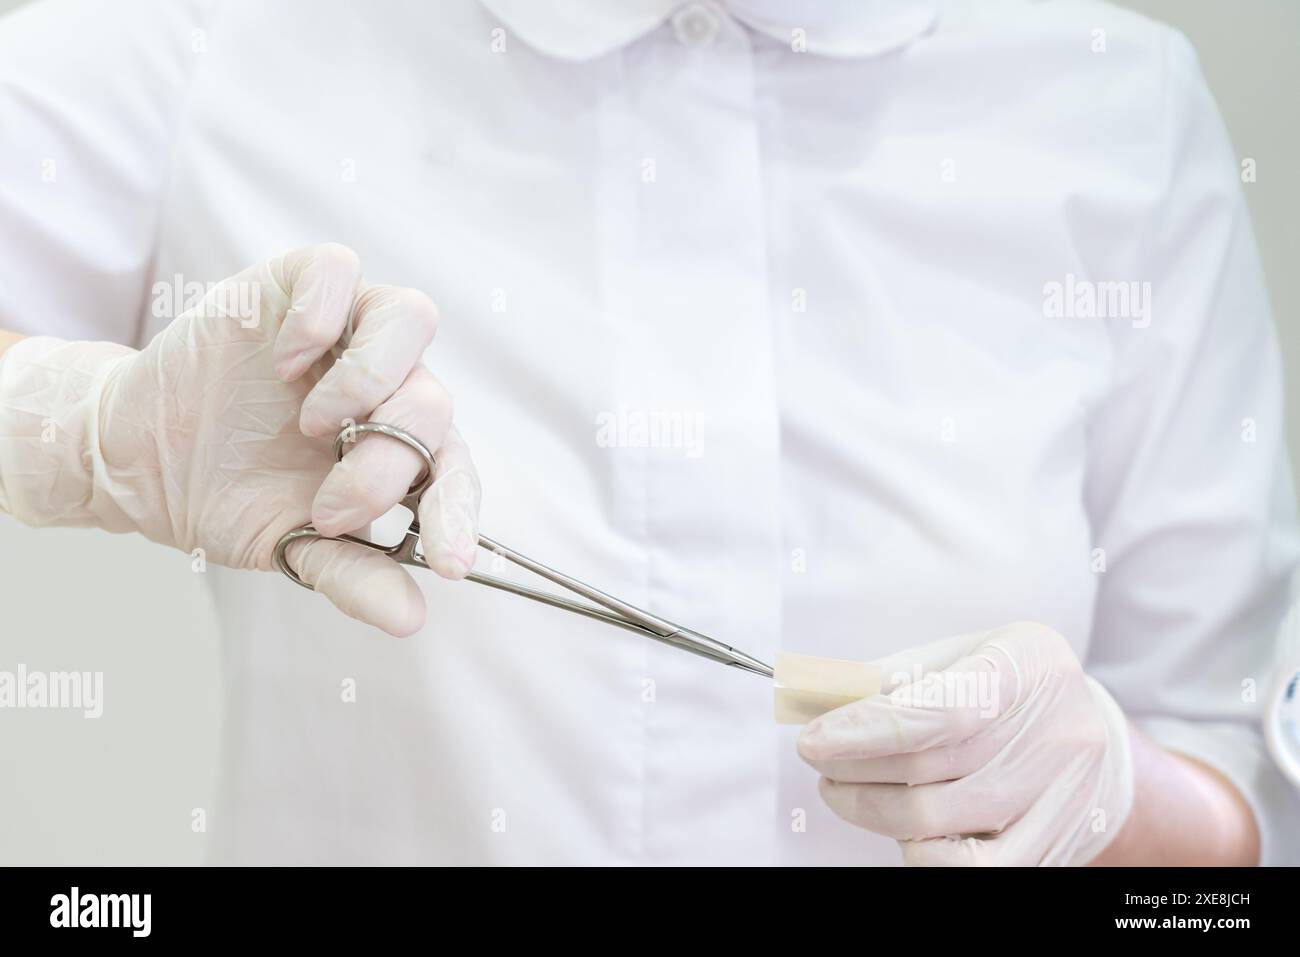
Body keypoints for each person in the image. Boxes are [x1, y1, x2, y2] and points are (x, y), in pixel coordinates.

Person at [0, 0, 1295, 866]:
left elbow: (1234, 807)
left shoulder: (1114, 103)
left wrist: (1107, 793)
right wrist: (82, 426)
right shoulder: (220, 35)